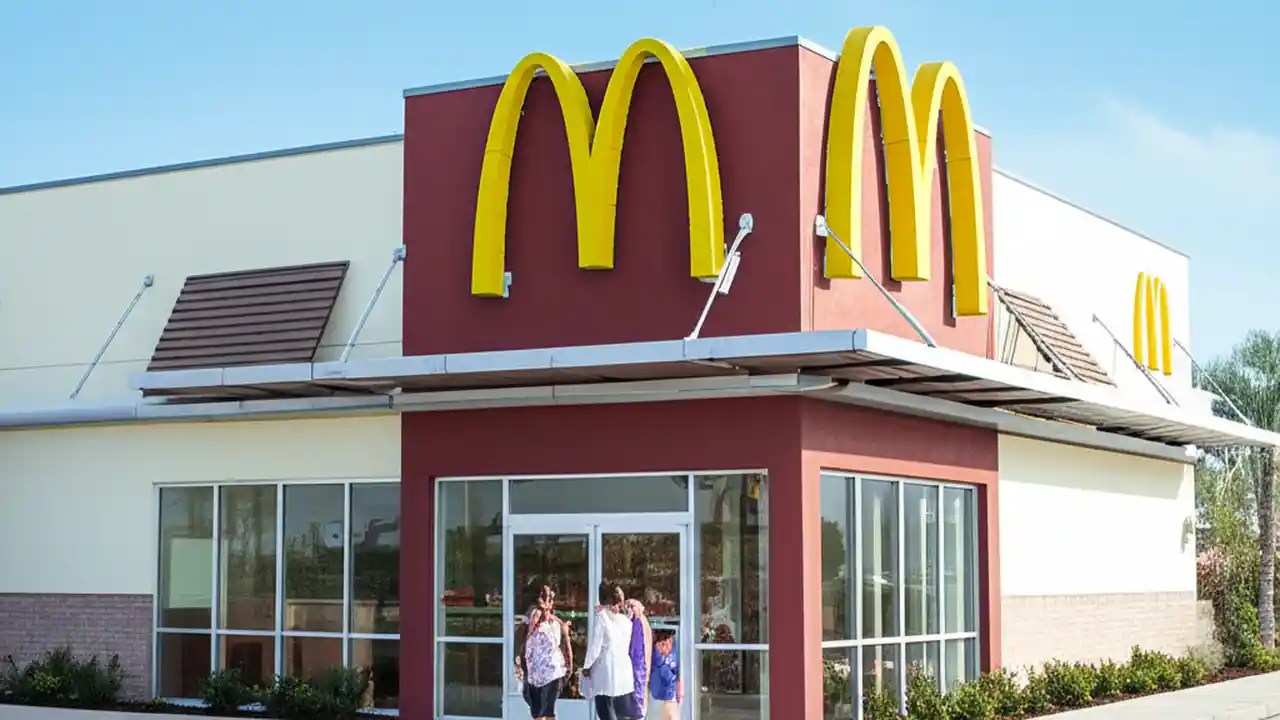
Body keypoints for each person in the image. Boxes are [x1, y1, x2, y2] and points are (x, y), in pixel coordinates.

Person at [581, 583, 637, 720]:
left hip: (606, 675)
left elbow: (595, 646)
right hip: (624, 675)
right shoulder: (626, 621)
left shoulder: (602, 618)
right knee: (623, 715)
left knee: (606, 712)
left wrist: (586, 667)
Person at [516, 585, 571, 720]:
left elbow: (566, 644)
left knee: (547, 712)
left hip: (552, 673)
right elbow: (521, 643)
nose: (539, 612)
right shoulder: (528, 624)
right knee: (536, 713)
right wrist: (519, 662)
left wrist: (569, 666)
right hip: (533, 674)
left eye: (545, 604)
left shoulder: (556, 624)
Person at [624, 598, 653, 719]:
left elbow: (636, 651)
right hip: (637, 668)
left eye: (632, 606)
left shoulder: (639, 623)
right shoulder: (638, 622)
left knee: (638, 699)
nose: (629, 609)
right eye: (627, 607)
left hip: (638, 668)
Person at [649, 629, 682, 720]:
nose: (666, 647)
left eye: (669, 642)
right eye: (662, 644)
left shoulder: (675, 649)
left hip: (671, 696)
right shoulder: (656, 655)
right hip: (659, 696)